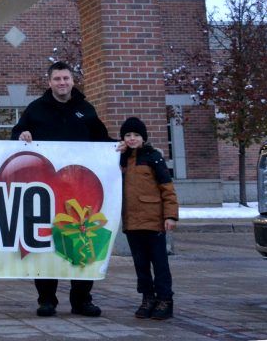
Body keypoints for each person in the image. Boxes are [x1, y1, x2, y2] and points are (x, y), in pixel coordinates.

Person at [11, 61, 112, 318]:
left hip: (80, 191)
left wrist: (123, 146)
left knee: (82, 242)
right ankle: (47, 300)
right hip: (46, 191)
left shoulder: (85, 110)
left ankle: (82, 300)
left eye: (66, 78)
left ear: (72, 81)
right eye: (57, 79)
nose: (62, 83)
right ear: (50, 82)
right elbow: (16, 135)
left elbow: (103, 142)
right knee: (45, 242)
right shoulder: (36, 109)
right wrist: (21, 134)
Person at [118, 116, 179, 321]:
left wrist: (170, 215)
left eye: (136, 135)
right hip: (132, 221)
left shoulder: (153, 157)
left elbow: (167, 188)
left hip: (154, 220)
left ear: (143, 137)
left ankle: (165, 300)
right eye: (128, 135)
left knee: (159, 263)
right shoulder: (122, 159)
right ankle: (147, 298)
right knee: (140, 264)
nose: (132, 138)